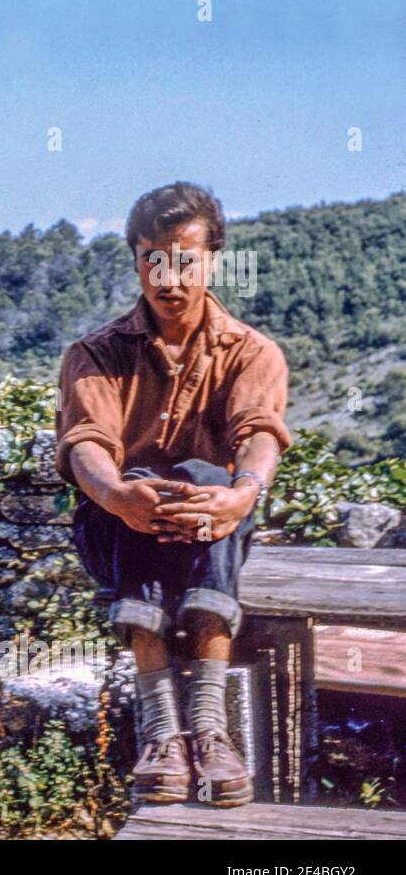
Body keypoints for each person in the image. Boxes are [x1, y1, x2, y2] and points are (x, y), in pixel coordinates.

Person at [56, 182, 291, 808]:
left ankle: (206, 727)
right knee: (138, 481)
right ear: (136, 260)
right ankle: (165, 732)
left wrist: (243, 492)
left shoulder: (252, 353)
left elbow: (259, 433)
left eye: (185, 260)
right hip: (116, 528)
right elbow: (87, 444)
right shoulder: (95, 354)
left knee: (208, 481)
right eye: (151, 259)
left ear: (212, 260)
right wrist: (116, 494)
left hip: (214, 527)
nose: (168, 278)